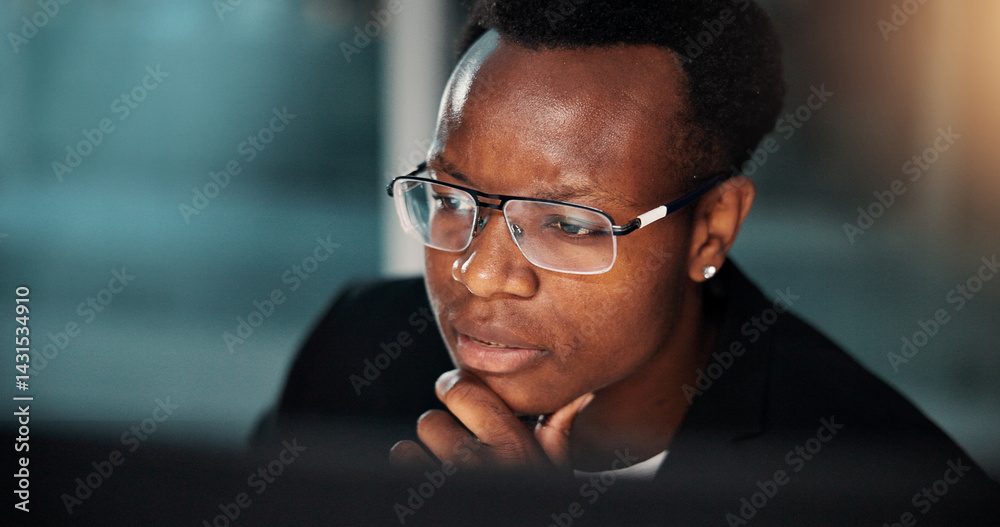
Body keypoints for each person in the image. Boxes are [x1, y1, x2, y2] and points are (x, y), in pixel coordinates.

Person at [264, 0, 998, 523]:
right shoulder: (355, 352)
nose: (479, 274)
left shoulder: (880, 484)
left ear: (710, 230)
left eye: (567, 223)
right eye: (452, 198)